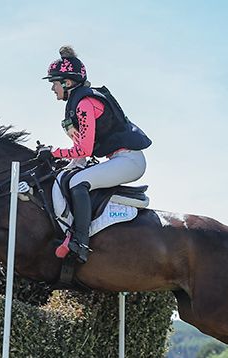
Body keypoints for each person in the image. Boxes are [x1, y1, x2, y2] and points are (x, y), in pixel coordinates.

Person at [39, 46, 152, 263]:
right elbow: (80, 156)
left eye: (54, 83)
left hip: (129, 160)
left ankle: (80, 242)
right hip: (120, 158)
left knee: (78, 182)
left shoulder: (84, 104)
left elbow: (85, 150)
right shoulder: (77, 105)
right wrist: (63, 163)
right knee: (70, 177)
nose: (52, 88)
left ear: (67, 83)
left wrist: (53, 153)